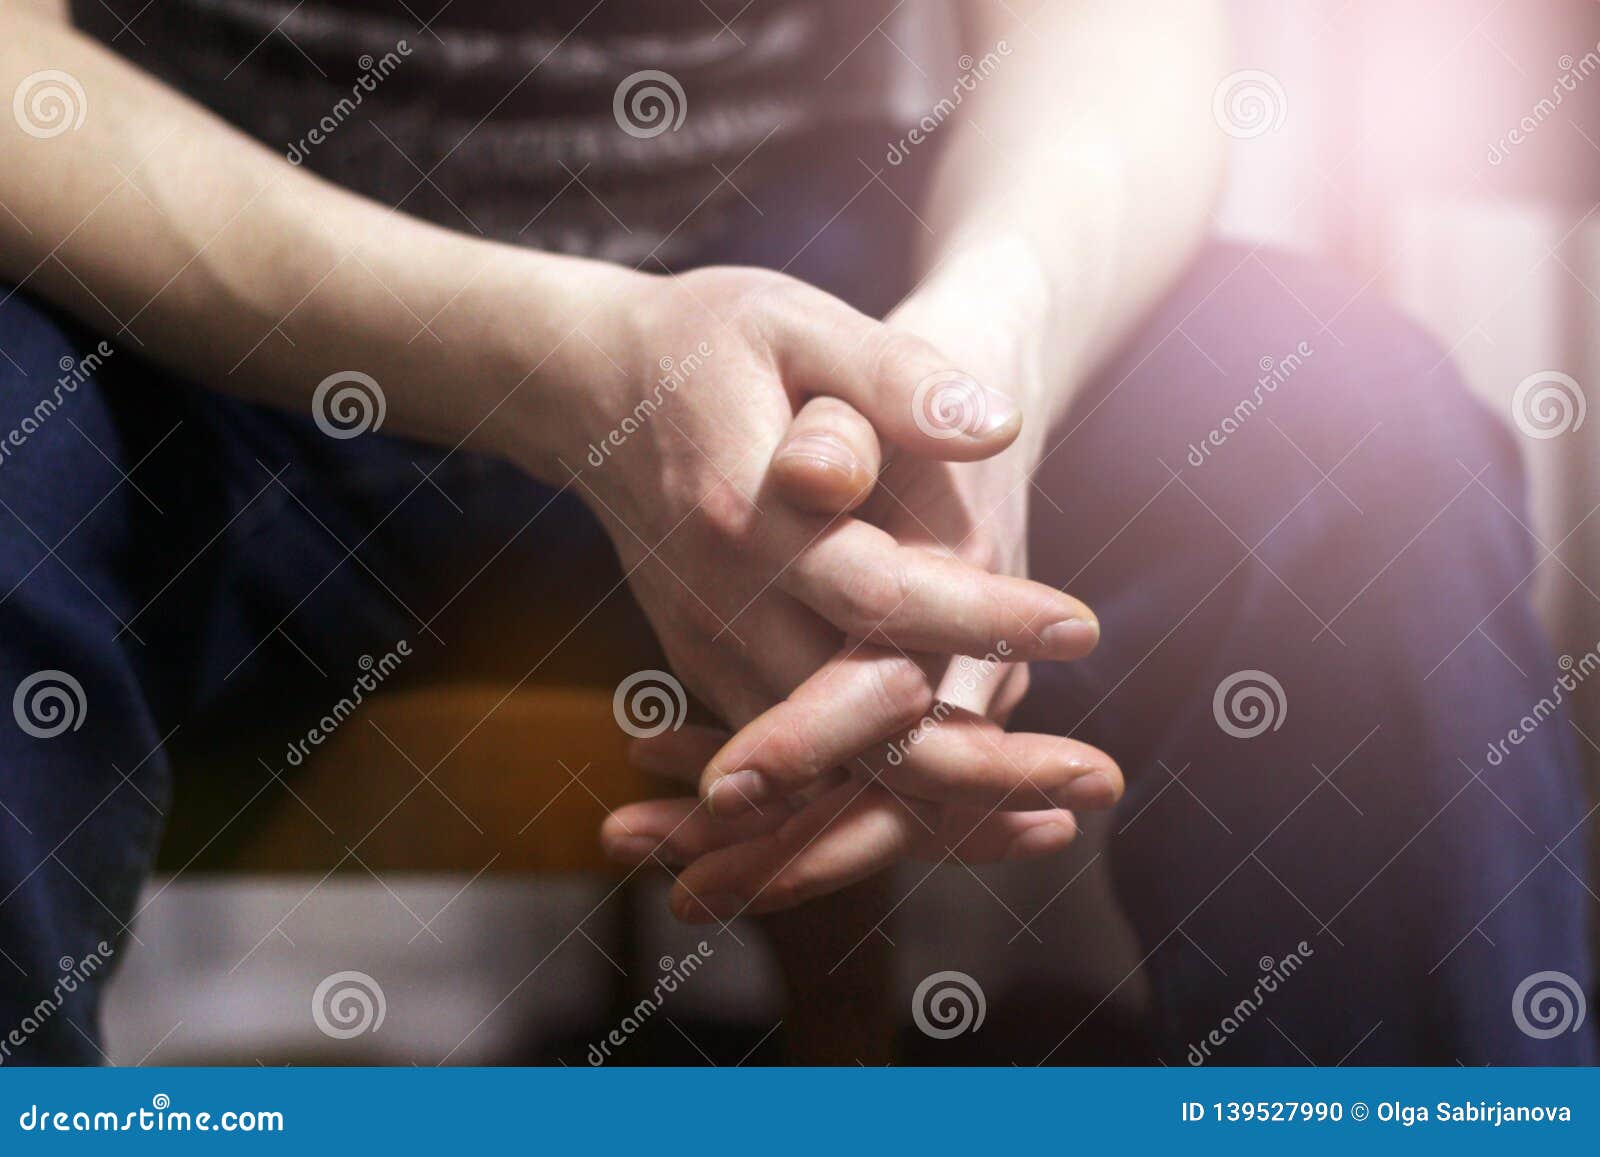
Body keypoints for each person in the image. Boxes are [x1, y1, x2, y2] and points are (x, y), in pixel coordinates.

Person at [0, 0, 1591, 1066]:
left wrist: (981, 366)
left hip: (818, 290)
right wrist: (581, 365)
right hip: (182, 310)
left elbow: (1119, 40)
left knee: (1350, 435)